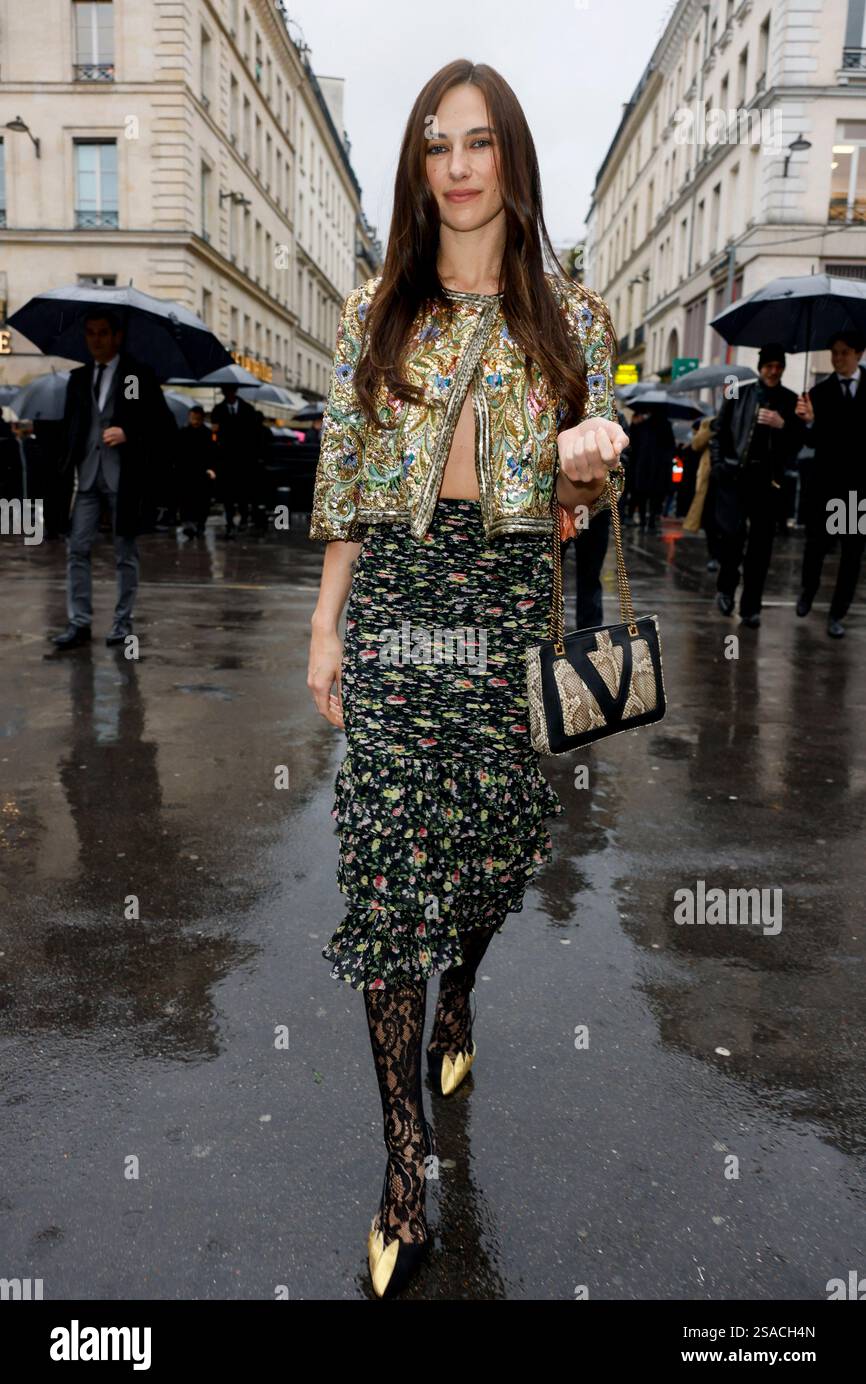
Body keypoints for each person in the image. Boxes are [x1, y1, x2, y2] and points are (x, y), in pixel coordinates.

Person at [306, 60, 627, 1300]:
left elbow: (572, 506)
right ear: (415, 164)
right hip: (392, 611)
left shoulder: (574, 320)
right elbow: (344, 481)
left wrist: (587, 463)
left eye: (477, 141)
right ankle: (402, 1165)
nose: (454, 164)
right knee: (385, 870)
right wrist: (325, 625)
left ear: (510, 158)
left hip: (502, 617)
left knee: (490, 850)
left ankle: (461, 1000)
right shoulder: (372, 309)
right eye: (434, 143)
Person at [50, 310, 174, 649]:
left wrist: (129, 431)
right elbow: (71, 426)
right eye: (90, 332)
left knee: (125, 553)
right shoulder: (78, 378)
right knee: (77, 549)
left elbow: (162, 425)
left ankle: (122, 624)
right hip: (87, 475)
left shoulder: (137, 376)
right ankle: (79, 623)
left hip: (124, 477)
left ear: (117, 336)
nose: (96, 339)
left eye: (103, 333)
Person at [710, 343, 803, 627]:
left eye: (778, 367)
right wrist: (719, 465)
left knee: (761, 548)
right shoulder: (741, 392)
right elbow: (719, 431)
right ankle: (725, 589)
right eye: (769, 366)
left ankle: (751, 607)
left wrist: (783, 424)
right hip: (737, 477)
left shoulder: (790, 400)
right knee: (732, 539)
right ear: (761, 367)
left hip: (769, 482)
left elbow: (798, 444)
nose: (774, 371)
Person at [795, 331, 866, 638]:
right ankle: (808, 591)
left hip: (857, 490)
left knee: (851, 553)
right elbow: (810, 441)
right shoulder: (819, 393)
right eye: (834, 352)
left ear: (859, 354)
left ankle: (838, 613)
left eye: (845, 352)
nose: (838, 358)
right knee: (817, 547)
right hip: (826, 485)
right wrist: (809, 421)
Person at [211, 385, 262, 536]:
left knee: (243, 491)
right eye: (226, 392)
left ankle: (243, 518)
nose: (228, 395)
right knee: (227, 492)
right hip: (226, 459)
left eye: (230, 392)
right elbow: (215, 433)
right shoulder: (218, 410)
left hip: (244, 459)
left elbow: (255, 434)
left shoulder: (247, 409)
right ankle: (229, 521)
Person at [681, 414, 721, 569]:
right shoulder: (708, 423)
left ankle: (726, 556)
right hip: (711, 478)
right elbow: (696, 445)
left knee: (728, 522)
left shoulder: (741, 419)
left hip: (732, 476)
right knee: (711, 520)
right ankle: (714, 555)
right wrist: (711, 429)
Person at [627, 405, 675, 531]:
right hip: (659, 468)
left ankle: (643, 521)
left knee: (641, 494)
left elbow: (633, 443)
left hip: (643, 465)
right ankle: (652, 521)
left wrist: (634, 425)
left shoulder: (643, 425)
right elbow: (671, 447)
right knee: (656, 495)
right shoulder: (667, 426)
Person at [177, 405, 217, 537]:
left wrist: (211, 468)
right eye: (193, 418)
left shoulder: (207, 433)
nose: (194, 421)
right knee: (186, 499)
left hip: (202, 471)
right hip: (186, 471)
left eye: (197, 418)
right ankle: (188, 523)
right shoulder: (183, 432)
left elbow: (212, 452)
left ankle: (200, 524)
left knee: (202, 500)